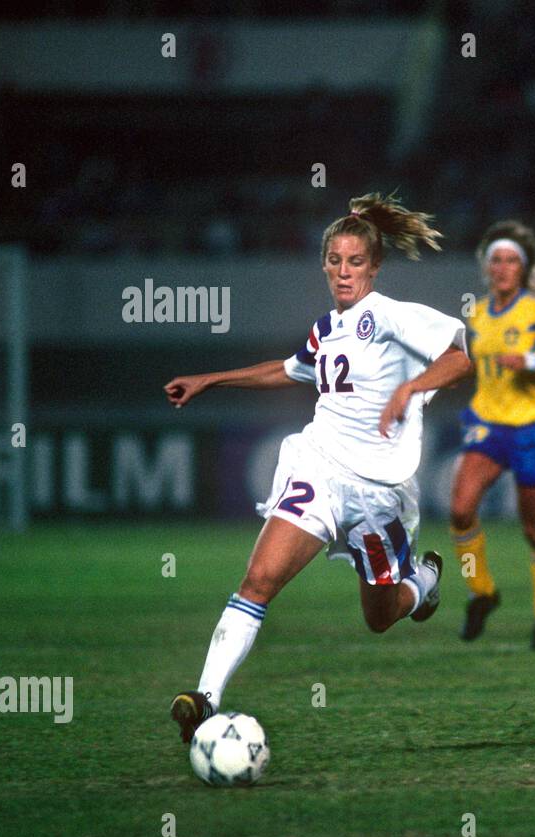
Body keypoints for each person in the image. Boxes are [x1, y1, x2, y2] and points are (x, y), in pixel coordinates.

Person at [163, 192, 472, 742]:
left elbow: (459, 357)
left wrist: (411, 387)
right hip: (322, 470)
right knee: (260, 579)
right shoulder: (327, 328)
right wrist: (212, 379)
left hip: (381, 495)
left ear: (374, 267)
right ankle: (205, 699)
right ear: (324, 265)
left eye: (355, 262)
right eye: (335, 261)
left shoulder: (394, 317)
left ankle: (422, 583)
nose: (344, 272)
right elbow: (287, 370)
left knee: (379, 617)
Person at [449, 221, 535, 649]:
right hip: (489, 424)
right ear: (486, 268)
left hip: (532, 428)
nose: (503, 268)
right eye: (496, 260)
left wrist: (530, 361)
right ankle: (482, 592)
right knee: (460, 510)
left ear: (523, 269)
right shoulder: (478, 313)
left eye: (511, 260)